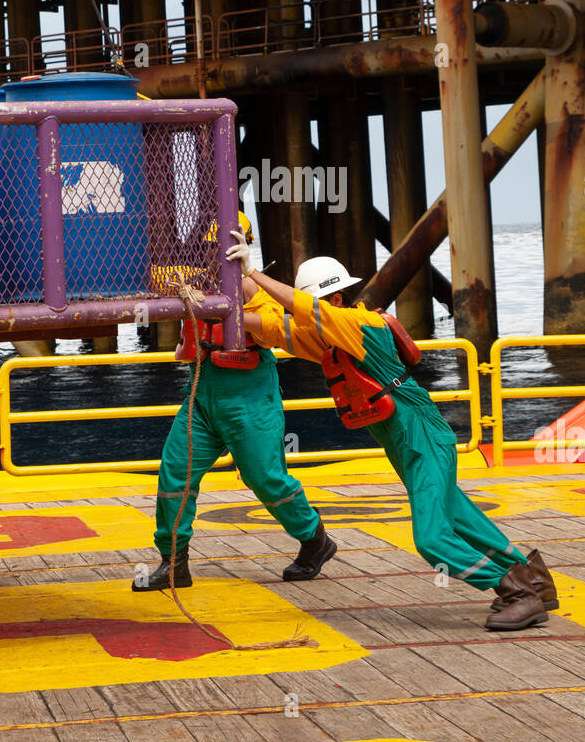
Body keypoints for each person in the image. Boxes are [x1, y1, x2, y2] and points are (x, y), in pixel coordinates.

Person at [227, 233, 558, 632]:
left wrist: (254, 271)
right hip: (406, 441)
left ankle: (515, 594)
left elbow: (300, 308)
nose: (301, 315)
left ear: (330, 302)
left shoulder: (357, 324)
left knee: (431, 539)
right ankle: (534, 579)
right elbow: (268, 322)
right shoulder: (328, 340)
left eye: (309, 306)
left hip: (422, 434)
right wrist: (216, 294)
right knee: (458, 515)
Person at [133, 214, 337, 592]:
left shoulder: (252, 290)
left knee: (266, 478)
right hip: (203, 393)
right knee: (174, 473)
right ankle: (174, 562)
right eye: (209, 248)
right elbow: (145, 274)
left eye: (222, 248)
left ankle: (315, 539)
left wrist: (243, 292)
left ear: (241, 247)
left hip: (251, 396)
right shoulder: (190, 283)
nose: (215, 256)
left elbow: (277, 325)